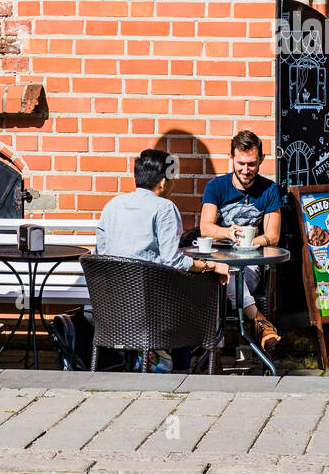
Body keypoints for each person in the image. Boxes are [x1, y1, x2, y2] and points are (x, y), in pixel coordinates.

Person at [97, 149, 230, 373]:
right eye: (173, 180)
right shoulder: (164, 208)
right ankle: (183, 368)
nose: (174, 185)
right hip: (152, 310)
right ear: (162, 182)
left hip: (113, 307)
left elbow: (101, 253)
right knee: (199, 292)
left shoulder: (112, 206)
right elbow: (173, 261)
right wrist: (212, 266)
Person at [200, 130, 283, 352]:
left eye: (252, 164)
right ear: (231, 158)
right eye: (241, 164)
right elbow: (205, 227)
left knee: (226, 276)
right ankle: (259, 321)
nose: (246, 170)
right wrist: (227, 233)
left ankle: (213, 355)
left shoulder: (269, 189)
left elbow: (273, 236)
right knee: (220, 276)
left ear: (261, 160)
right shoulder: (216, 186)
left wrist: (250, 242)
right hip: (217, 263)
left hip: (250, 266)